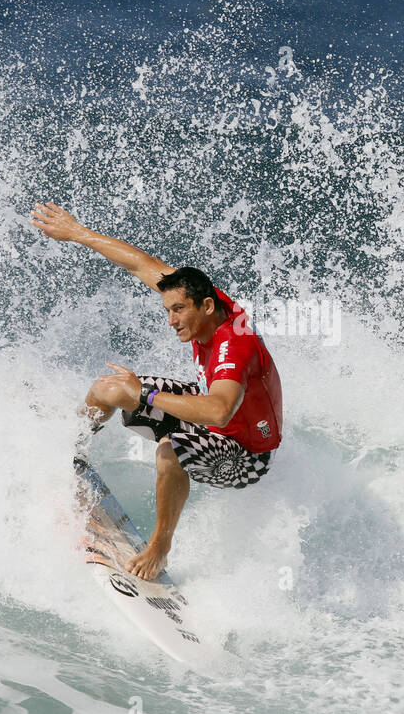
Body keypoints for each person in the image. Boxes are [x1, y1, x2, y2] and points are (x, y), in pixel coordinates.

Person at [30, 201, 282, 581]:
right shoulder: (203, 299)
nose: (171, 321)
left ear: (207, 306)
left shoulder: (235, 344)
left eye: (178, 311)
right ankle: (68, 452)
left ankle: (159, 548)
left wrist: (145, 395)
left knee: (171, 450)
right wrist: (76, 232)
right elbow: (138, 263)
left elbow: (218, 412)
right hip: (214, 418)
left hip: (246, 456)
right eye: (167, 310)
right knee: (109, 389)